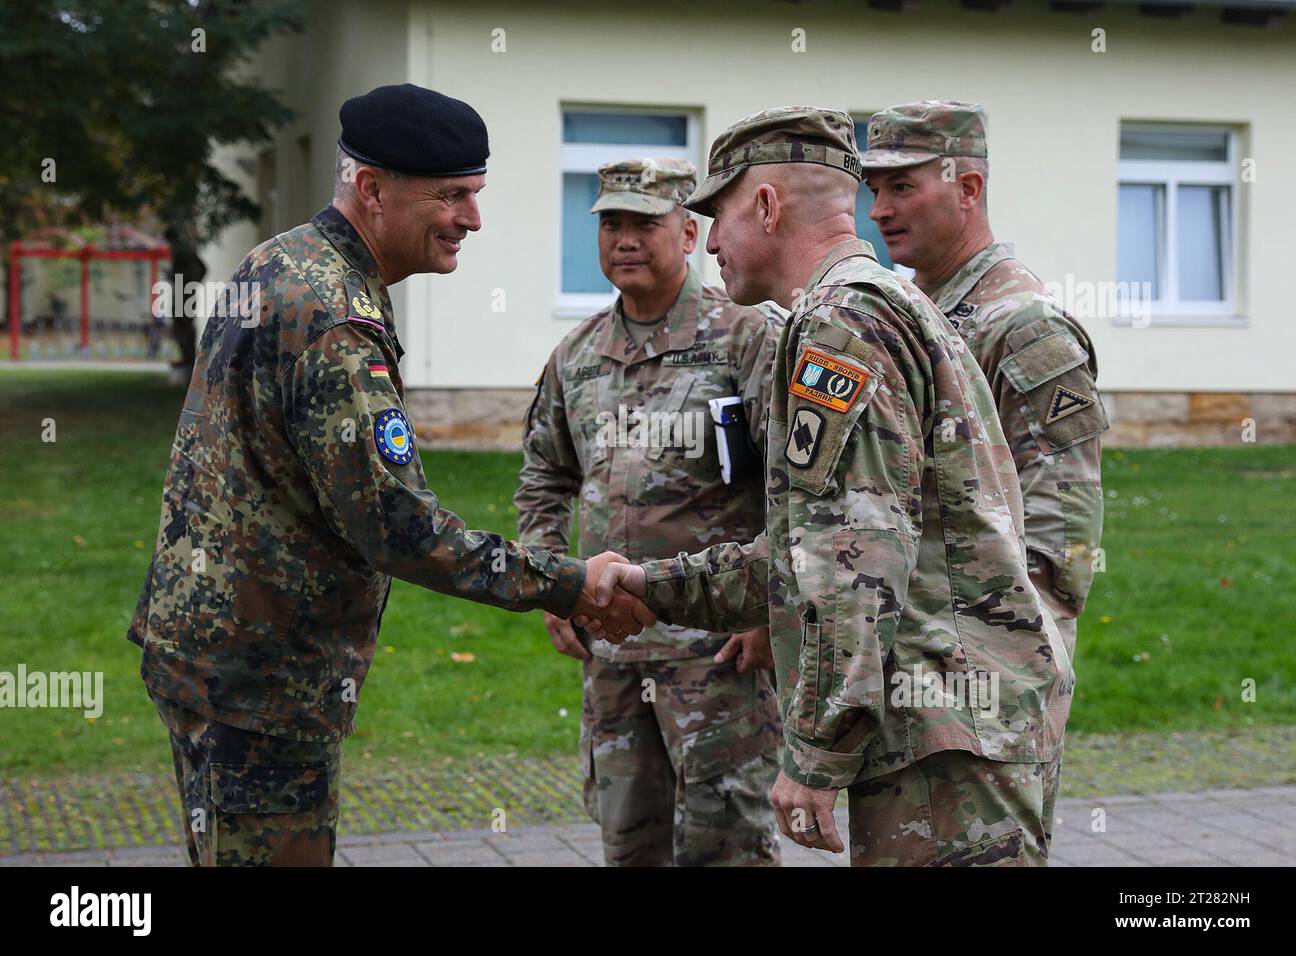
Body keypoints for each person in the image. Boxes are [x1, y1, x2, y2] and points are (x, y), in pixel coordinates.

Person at [127, 84, 653, 867]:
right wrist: (566, 581)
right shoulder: (334, 316)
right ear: (371, 189)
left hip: (207, 649)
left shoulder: (279, 260)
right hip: (262, 682)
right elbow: (397, 527)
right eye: (451, 196)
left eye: (475, 194)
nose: (472, 219)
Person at [589, 106, 1073, 866]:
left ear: (768, 206)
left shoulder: (839, 324)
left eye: (717, 216)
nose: (710, 241)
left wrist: (815, 751)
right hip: (954, 722)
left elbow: (853, 560)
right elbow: (804, 555)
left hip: (943, 734)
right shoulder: (878, 305)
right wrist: (648, 584)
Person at [516, 157, 783, 866]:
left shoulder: (744, 338)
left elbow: (795, 486)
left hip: (719, 650)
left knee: (727, 846)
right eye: (611, 223)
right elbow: (545, 477)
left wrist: (767, 610)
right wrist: (550, 584)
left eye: (644, 222)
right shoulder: (576, 356)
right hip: (614, 651)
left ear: (689, 233)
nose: (625, 239)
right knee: (628, 843)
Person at [862, 102, 1108, 849]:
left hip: (980, 703)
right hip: (917, 685)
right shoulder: (923, 312)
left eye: (902, 187)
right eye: (873, 188)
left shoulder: (1021, 325)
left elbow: (1062, 548)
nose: (879, 210)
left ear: (967, 188)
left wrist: (981, 679)